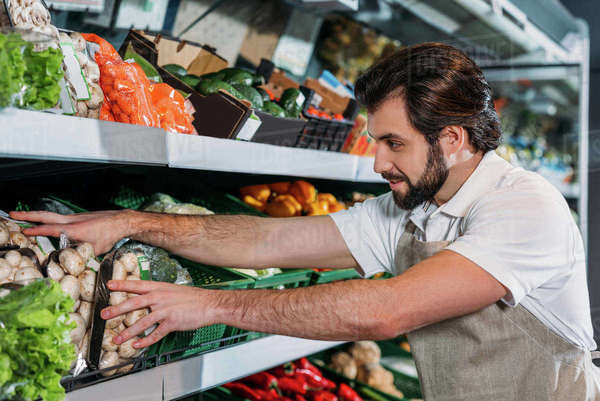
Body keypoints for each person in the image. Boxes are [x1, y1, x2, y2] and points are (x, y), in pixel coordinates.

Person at [12, 43, 600, 400]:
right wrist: (127, 222)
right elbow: (272, 236)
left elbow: (385, 310)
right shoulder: (414, 208)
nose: (376, 162)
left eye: (394, 142)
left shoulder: (525, 208)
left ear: (452, 138)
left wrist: (211, 305)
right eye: (375, 141)